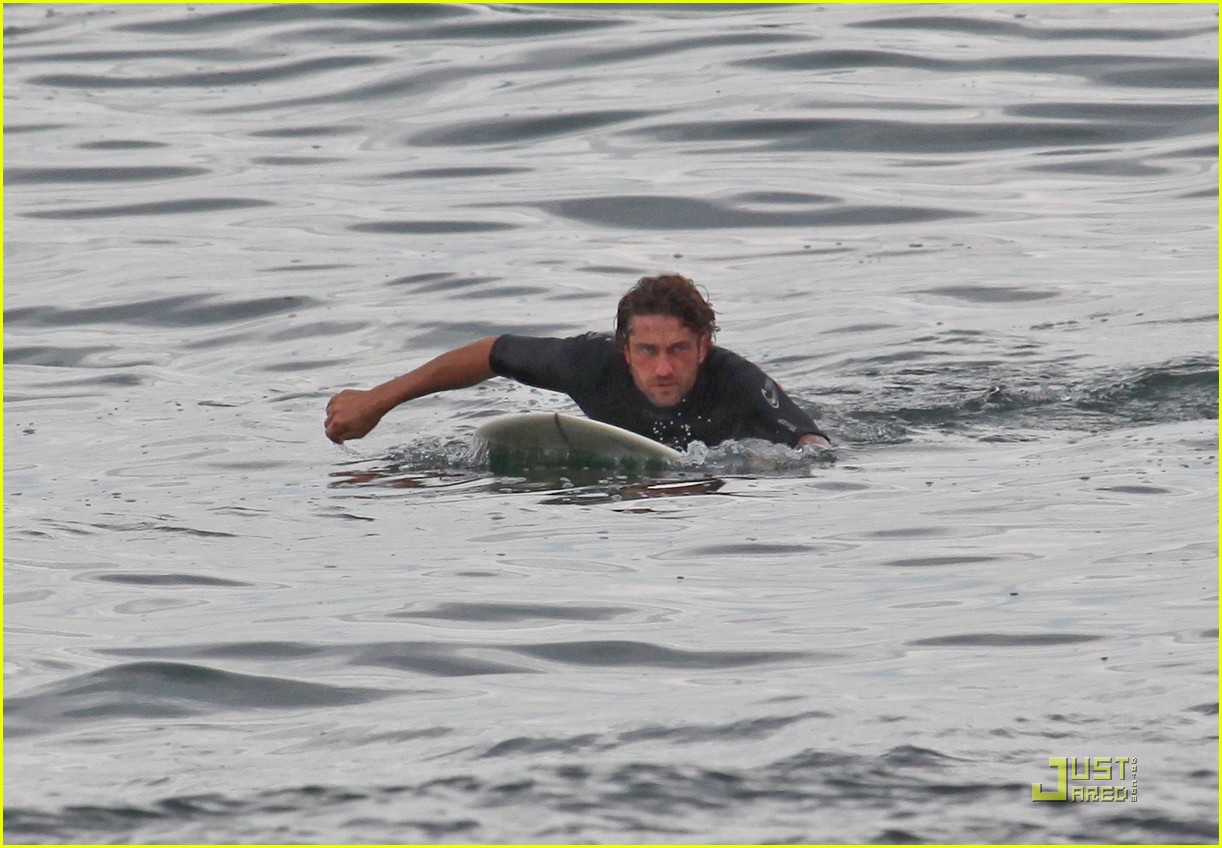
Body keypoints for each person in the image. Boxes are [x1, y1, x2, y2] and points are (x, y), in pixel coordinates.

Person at [324, 274, 831, 451]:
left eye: (678, 351)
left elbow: (812, 444)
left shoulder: (737, 382)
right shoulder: (589, 364)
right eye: (647, 352)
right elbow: (490, 352)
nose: (662, 369)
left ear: (702, 348)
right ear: (623, 350)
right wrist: (378, 401)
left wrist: (763, 465)